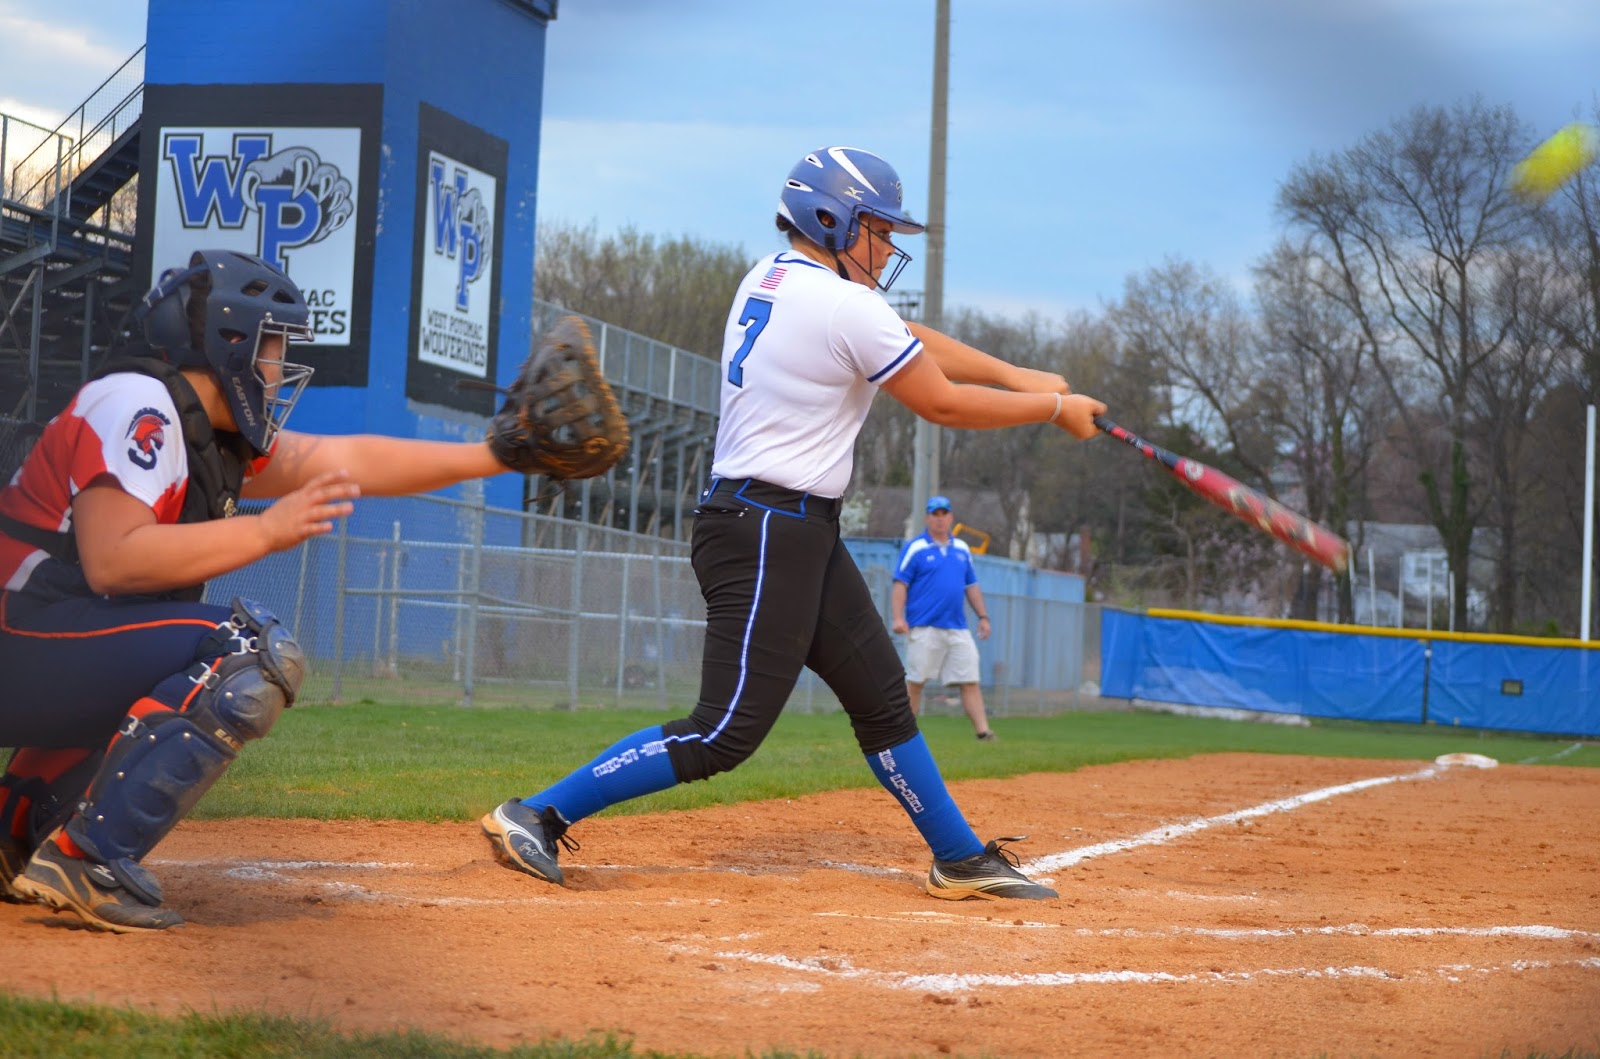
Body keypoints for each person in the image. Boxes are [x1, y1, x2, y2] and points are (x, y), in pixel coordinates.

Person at [481, 146, 1106, 901]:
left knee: (879, 694)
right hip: (766, 529)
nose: (888, 247)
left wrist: (1017, 375)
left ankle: (959, 855)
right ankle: (537, 814)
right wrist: (1050, 407)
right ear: (831, 219)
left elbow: (908, 339)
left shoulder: (776, 276)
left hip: (792, 528)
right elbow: (939, 400)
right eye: (877, 229)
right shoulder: (842, 303)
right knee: (722, 733)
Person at [0, 248, 517, 932]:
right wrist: (267, 531)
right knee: (245, 651)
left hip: (36, 649)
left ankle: (18, 833)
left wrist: (502, 453)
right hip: (19, 641)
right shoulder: (137, 402)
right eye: (274, 343)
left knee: (169, 649)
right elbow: (114, 561)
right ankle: (87, 857)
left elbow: (349, 459)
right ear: (229, 339)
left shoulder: (206, 434)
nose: (279, 366)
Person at [892, 495, 996, 741]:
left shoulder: (961, 549)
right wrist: (898, 617)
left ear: (951, 517)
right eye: (934, 514)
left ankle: (983, 733)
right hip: (925, 626)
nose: (939, 519)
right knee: (916, 681)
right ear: (927, 518)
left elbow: (971, 585)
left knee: (970, 680)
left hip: (957, 628)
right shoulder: (916, 548)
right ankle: (905, 736)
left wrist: (983, 616)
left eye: (944, 514)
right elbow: (900, 584)